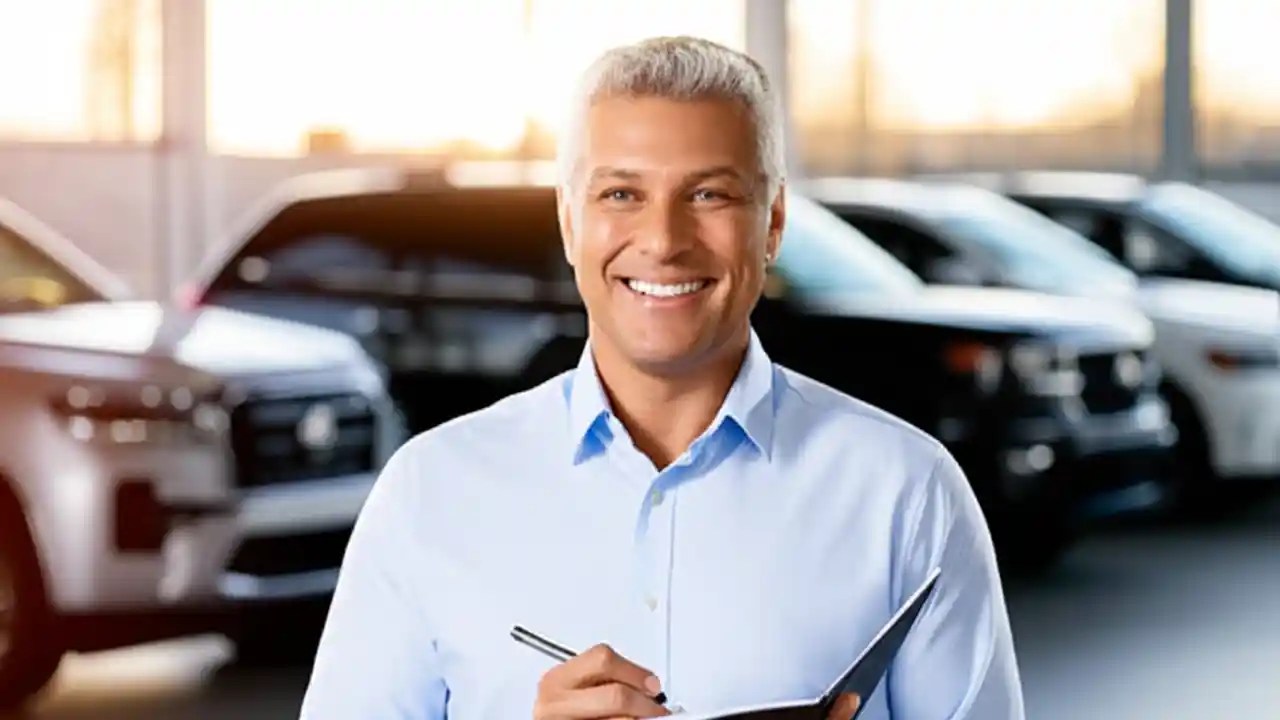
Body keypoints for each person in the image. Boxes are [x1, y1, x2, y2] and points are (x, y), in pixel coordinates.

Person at [298, 36, 1024, 719]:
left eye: (709, 195)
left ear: (771, 224)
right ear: (568, 221)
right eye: (621, 195)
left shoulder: (907, 491)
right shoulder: (430, 491)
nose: (664, 241)